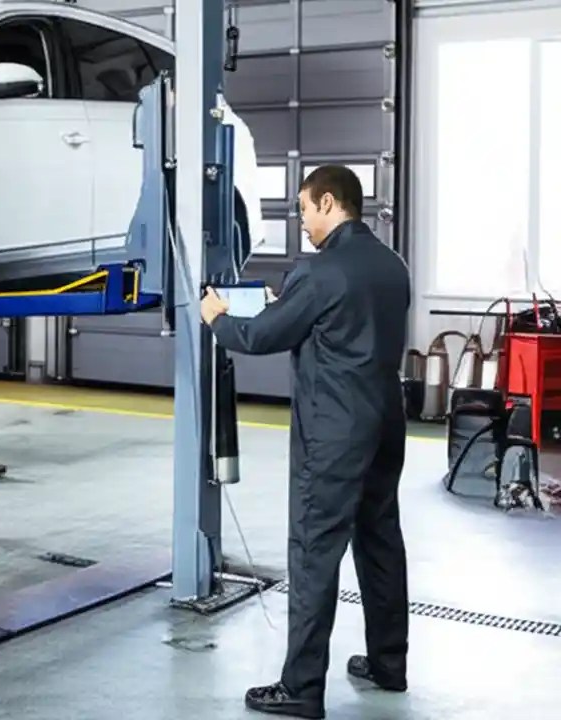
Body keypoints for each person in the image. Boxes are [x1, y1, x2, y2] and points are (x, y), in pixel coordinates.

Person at [199, 165, 412, 719]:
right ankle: (389, 663)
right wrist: (289, 300)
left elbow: (259, 335)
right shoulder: (393, 266)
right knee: (379, 539)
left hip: (335, 435)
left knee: (315, 551)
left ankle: (300, 688)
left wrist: (217, 318)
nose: (302, 221)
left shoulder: (318, 272)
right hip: (386, 425)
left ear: (328, 203)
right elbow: (343, 321)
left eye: (303, 209)